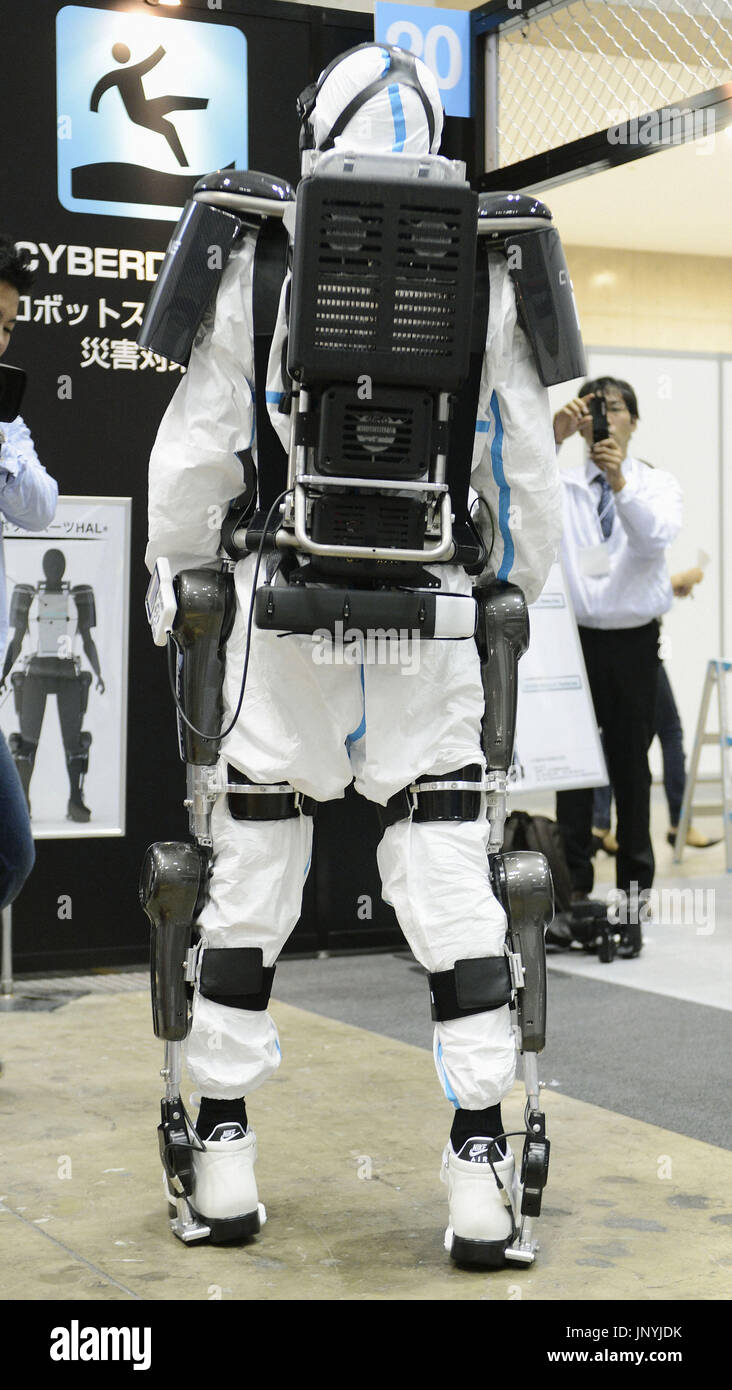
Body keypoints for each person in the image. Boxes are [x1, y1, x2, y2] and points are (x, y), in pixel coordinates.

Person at [145, 45, 563, 1262]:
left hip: (287, 631)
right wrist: (507, 597)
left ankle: (220, 1153)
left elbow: (197, 453)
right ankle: (479, 1172)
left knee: (250, 891)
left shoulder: (259, 247)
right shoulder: (493, 257)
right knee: (454, 896)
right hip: (428, 625)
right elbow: (521, 468)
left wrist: (185, 599)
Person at [553, 377, 682, 953]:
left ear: (632, 421)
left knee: (631, 770)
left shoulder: (655, 484)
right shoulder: (560, 481)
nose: (603, 420)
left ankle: (633, 897)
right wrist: (549, 440)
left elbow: (654, 540)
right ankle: (574, 892)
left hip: (634, 643)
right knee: (575, 771)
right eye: (593, 410)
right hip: (575, 640)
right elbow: (521, 506)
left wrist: (620, 482)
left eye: (614, 410)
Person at [0, 236, 58, 908]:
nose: (4, 340)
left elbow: (40, 507)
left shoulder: (8, 426)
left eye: (10, 327)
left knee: (14, 854)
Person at [592, 567, 718, 853]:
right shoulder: (625, 532)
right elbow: (630, 586)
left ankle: (600, 826)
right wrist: (680, 580)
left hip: (616, 643)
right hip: (635, 643)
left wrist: (669, 589)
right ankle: (679, 823)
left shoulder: (604, 536)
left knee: (610, 734)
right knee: (669, 733)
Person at [2, 548, 105, 822]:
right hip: (36, 672)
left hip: (67, 672)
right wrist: (3, 674)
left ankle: (75, 799)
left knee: (75, 744)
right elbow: (18, 639)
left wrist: (99, 673)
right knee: (26, 744)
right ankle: (23, 802)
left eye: (57, 565)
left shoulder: (79, 595)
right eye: (51, 565)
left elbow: (87, 639)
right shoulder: (26, 594)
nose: (54, 569)